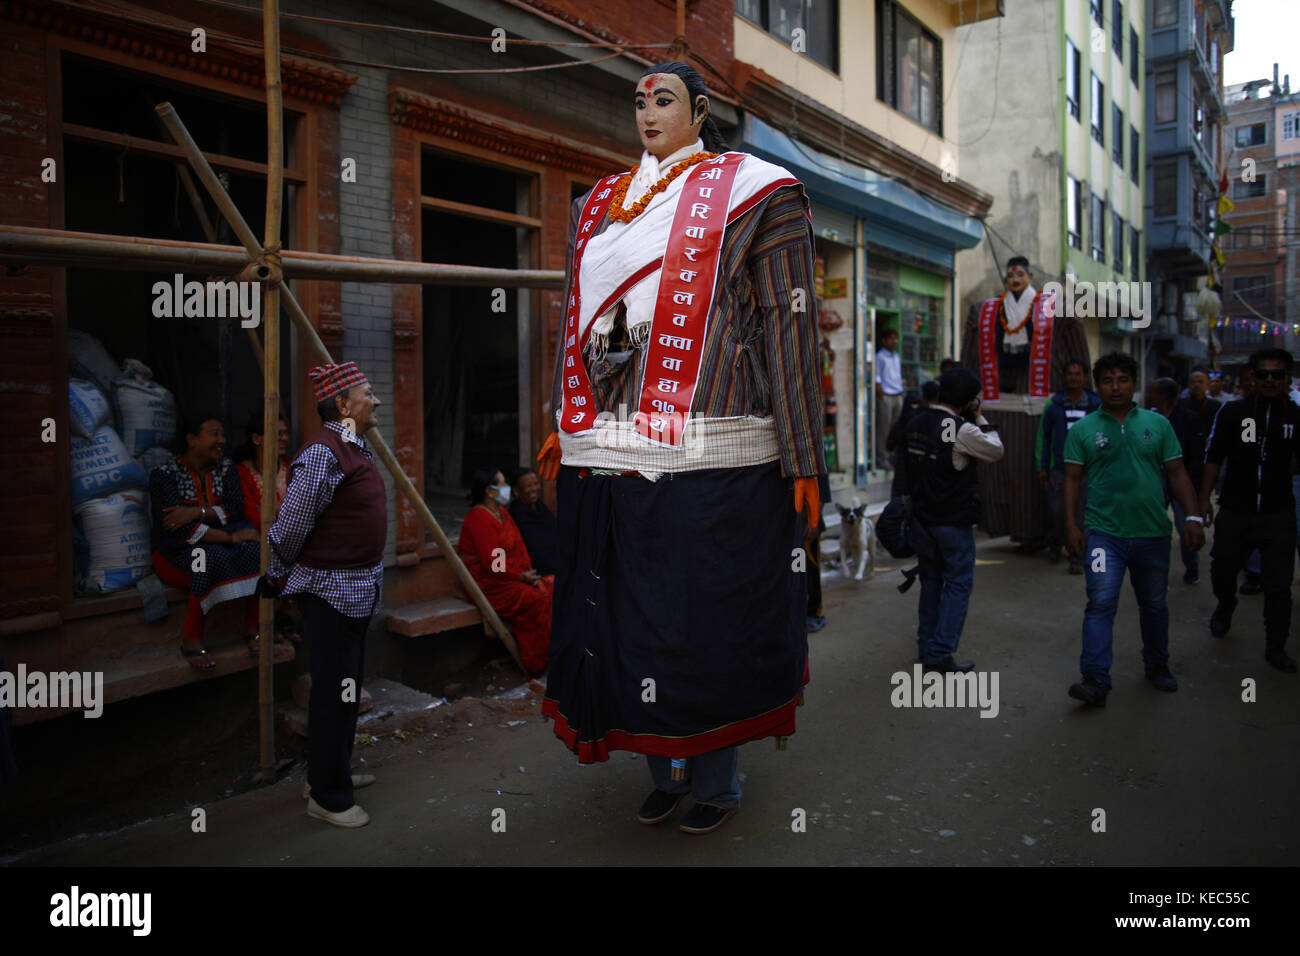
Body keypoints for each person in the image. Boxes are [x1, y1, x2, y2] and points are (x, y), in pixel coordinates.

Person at [537, 60, 825, 836]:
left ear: (700, 111)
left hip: (716, 463)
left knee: (704, 627)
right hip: (612, 457)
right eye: (637, 100)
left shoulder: (761, 192)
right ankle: (662, 769)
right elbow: (584, 324)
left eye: (662, 99)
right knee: (629, 627)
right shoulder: (600, 204)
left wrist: (803, 460)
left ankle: (717, 780)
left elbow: (790, 330)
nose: (645, 112)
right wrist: (562, 424)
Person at [260, 361, 386, 828]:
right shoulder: (321, 453)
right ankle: (328, 797)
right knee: (333, 692)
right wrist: (276, 574)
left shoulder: (355, 447)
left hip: (355, 591)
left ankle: (332, 772)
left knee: (347, 689)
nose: (376, 400)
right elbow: (290, 526)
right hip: (329, 592)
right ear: (342, 405)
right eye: (367, 393)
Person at [1063, 353, 1205, 707]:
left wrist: (1193, 517)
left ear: (1134, 384)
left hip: (1153, 534)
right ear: (1098, 385)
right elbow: (1071, 481)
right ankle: (1095, 679)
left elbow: (1177, 473)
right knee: (1100, 603)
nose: (1115, 387)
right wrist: (1070, 526)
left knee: (1154, 605)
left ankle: (1157, 665)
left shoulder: (1158, 426)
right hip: (1102, 536)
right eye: (1108, 381)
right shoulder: (1082, 429)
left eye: (1122, 380)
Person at [1199, 348, 1300, 673]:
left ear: (1287, 379)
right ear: (1252, 378)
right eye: (1263, 374)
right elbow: (1214, 456)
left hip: (1277, 513)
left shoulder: (1295, 416)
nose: (1270, 380)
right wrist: (1203, 502)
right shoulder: (1233, 412)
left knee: (1279, 586)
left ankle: (1276, 645)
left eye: (1278, 374)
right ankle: (1225, 605)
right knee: (1223, 569)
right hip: (1236, 510)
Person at [903, 366, 1004, 673]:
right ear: (969, 400)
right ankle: (939, 653)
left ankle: (926, 646)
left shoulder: (915, 420)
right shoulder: (963, 429)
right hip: (952, 522)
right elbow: (996, 450)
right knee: (958, 584)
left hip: (922, 520)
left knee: (931, 583)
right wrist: (980, 416)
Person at [149, 411, 262, 672]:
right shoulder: (165, 475)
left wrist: (194, 512)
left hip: (216, 544)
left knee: (257, 552)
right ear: (191, 439)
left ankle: (254, 627)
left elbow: (235, 509)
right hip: (174, 553)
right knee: (206, 561)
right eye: (214, 434)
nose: (221, 441)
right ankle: (192, 639)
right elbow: (177, 529)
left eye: (222, 434)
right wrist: (229, 535)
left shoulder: (225, 469)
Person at [459, 468, 552, 677]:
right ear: (489, 492)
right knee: (539, 601)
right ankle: (535, 662)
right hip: (491, 584)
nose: (506, 489)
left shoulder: (502, 513)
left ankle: (551, 653)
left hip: (512, 577)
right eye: (501, 485)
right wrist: (520, 577)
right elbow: (495, 563)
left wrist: (526, 573)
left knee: (554, 587)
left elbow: (518, 547)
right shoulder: (480, 519)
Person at [1036, 358, 1100, 572]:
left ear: (1084, 377)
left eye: (1078, 374)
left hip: (1088, 469)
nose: (1074, 378)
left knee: (1082, 513)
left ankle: (1077, 556)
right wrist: (1042, 466)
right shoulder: (1054, 405)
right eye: (1070, 374)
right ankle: (1055, 544)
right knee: (1057, 511)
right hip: (1060, 469)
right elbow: (1044, 438)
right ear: (1064, 377)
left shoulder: (1095, 404)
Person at [1146, 377, 1207, 584]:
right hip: (1155, 480)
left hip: (1181, 478)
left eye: (1153, 391)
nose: (1149, 395)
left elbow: (1197, 456)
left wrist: (1195, 489)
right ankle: (1152, 566)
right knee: (1151, 525)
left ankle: (1192, 565)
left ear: (1163, 396)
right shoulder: (1148, 419)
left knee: (1185, 525)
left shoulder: (1189, 419)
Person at [235, 411, 289, 532]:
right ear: (256, 439)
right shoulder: (242, 473)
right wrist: (281, 509)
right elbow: (252, 517)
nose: (285, 438)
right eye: (278, 433)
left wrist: (267, 509)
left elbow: (302, 511)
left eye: (285, 433)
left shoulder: (292, 467)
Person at [885, 381, 937, 496]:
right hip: (924, 486)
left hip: (903, 482)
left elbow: (889, 445)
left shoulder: (903, 423)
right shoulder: (931, 422)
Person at [507, 467, 557, 577]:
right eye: (529, 485)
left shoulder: (540, 506)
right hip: (537, 570)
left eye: (536, 484)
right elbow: (536, 550)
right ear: (516, 491)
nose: (534, 489)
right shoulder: (518, 515)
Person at [875, 327, 905, 468]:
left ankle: (893, 456)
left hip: (897, 395)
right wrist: (880, 393)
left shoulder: (897, 356)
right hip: (886, 395)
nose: (894, 341)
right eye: (891, 338)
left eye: (895, 338)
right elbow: (877, 376)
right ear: (884, 341)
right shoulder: (880, 356)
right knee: (884, 429)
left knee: (896, 429)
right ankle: (882, 458)